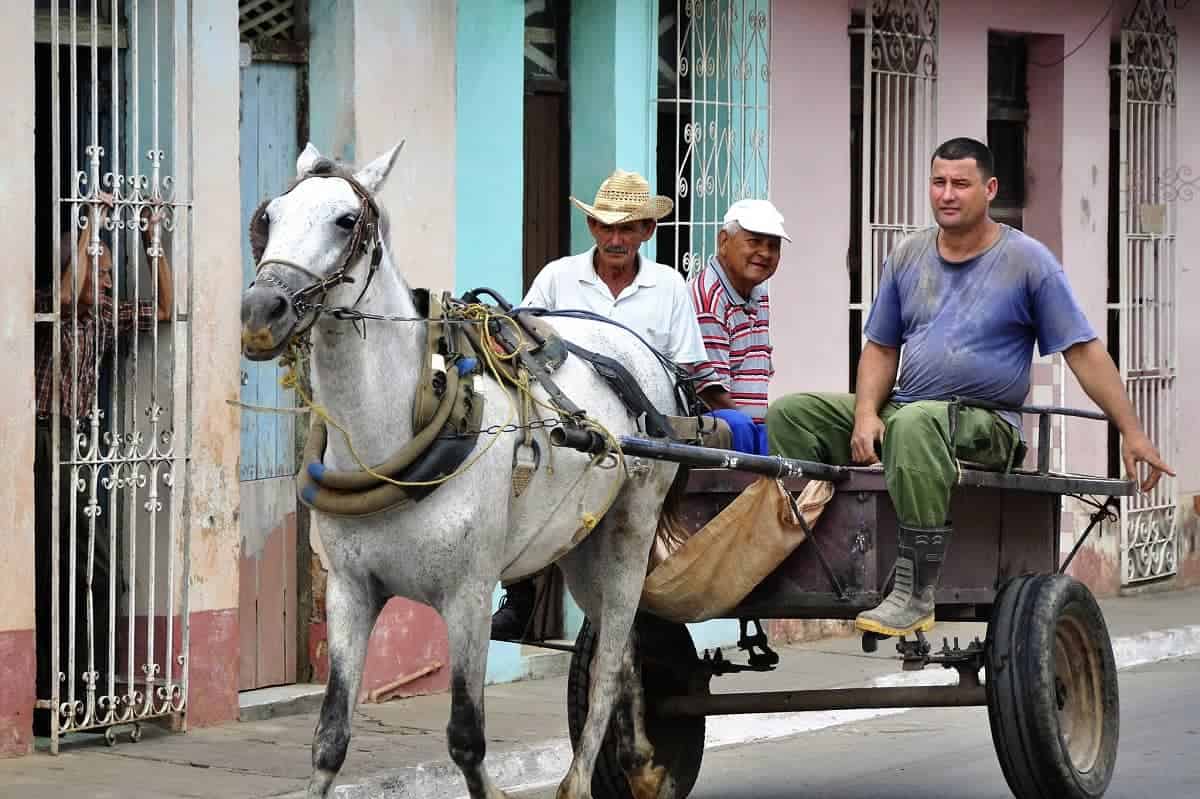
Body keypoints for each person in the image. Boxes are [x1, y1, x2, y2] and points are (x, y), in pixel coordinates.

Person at [765, 137, 1173, 639]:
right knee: (791, 412)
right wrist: (867, 412)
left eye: (961, 183)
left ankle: (916, 592)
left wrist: (1130, 431)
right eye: (939, 182)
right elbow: (881, 347)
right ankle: (802, 551)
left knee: (915, 423)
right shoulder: (909, 254)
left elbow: (1083, 351)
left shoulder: (1027, 261)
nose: (947, 194)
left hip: (985, 424)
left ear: (990, 189)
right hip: (911, 410)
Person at [491, 168, 708, 641]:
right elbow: (523, 346)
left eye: (627, 227)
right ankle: (520, 594)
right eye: (606, 227)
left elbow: (687, 370)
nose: (615, 238)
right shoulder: (557, 277)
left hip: (639, 442)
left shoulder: (668, 286)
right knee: (512, 469)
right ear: (591, 228)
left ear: (646, 232)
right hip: (564, 429)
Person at [33, 194, 174, 733]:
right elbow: (69, 294)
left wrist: (151, 237)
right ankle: (59, 696)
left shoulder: (104, 320)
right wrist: (91, 222)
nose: (111, 281)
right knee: (57, 566)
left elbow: (163, 308)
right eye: (102, 269)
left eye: (114, 271)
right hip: (47, 435)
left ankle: (90, 692)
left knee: (100, 571)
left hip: (80, 443)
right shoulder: (50, 303)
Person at [689, 198, 790, 455]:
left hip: (746, 422)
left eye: (773, 246)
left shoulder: (758, 291)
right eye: (754, 242)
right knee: (741, 426)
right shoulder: (707, 296)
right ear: (724, 242)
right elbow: (711, 393)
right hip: (708, 424)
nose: (765, 253)